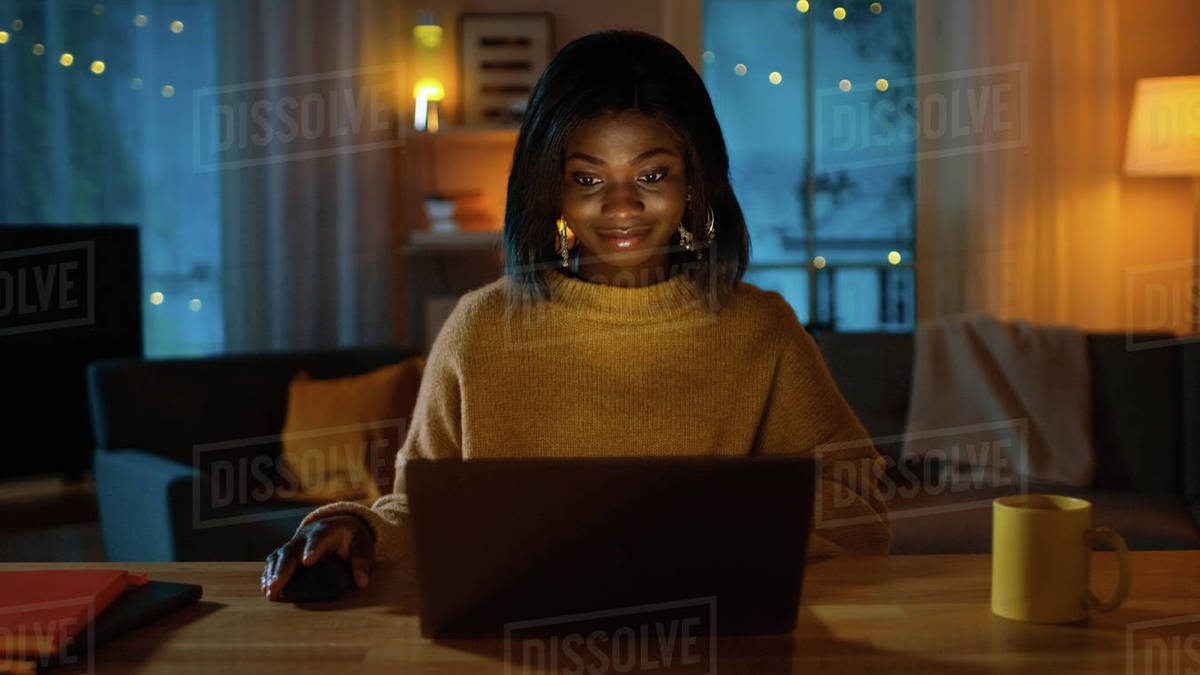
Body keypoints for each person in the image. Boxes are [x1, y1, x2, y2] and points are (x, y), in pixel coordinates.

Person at [262, 29, 891, 601]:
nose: (622, 206)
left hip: (709, 638)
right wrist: (356, 527)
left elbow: (856, 495)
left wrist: (723, 541)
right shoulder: (479, 329)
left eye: (652, 173)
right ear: (551, 189)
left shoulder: (761, 330)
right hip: (512, 640)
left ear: (695, 183)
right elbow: (420, 508)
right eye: (588, 180)